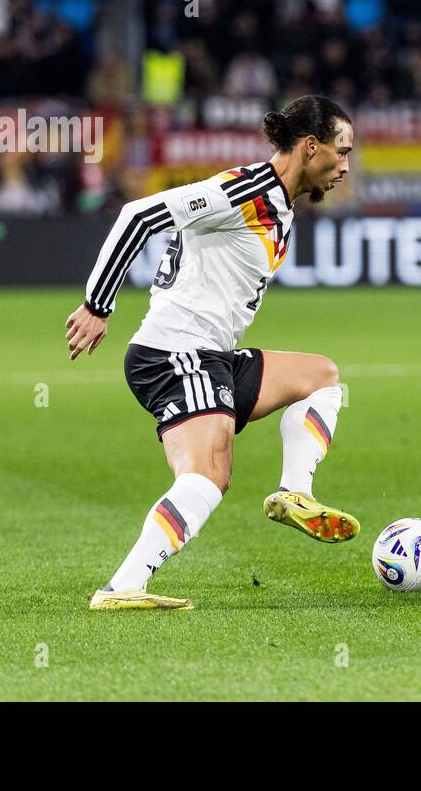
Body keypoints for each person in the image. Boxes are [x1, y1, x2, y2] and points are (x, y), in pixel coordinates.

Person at [65, 95, 358, 610]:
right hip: (176, 351)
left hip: (211, 355)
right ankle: (122, 587)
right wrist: (98, 304)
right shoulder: (248, 189)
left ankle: (294, 492)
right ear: (311, 147)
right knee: (208, 473)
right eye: (342, 150)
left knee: (321, 376)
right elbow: (139, 216)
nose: (346, 166)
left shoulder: (283, 206)